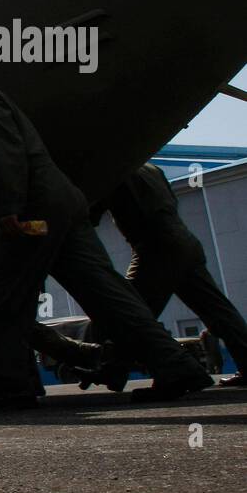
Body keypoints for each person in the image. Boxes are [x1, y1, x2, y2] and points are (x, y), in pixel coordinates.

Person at [0, 51, 212, 405]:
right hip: (64, 206)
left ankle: (10, 385)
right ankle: (176, 365)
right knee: (110, 296)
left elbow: (5, 154)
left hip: (36, 214)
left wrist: (10, 208)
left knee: (7, 292)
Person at [93, 163, 247, 389]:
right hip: (184, 240)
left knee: (129, 312)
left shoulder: (111, 169)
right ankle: (116, 369)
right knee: (219, 312)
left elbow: (90, 214)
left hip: (154, 247)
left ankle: (154, 371)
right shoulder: (151, 167)